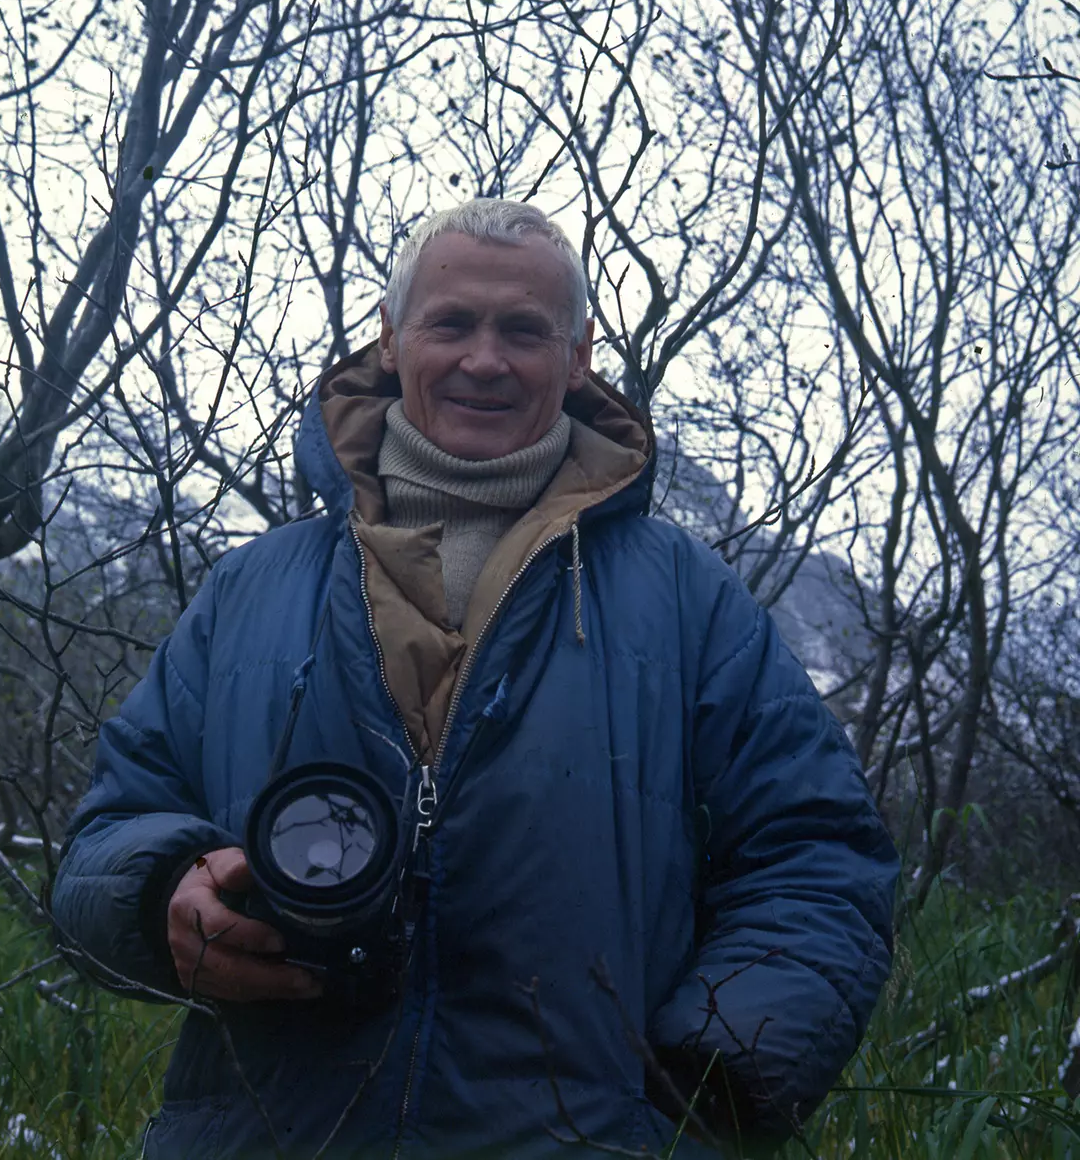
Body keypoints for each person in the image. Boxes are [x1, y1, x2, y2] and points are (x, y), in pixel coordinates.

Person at [52, 199, 899, 1159]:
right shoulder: (254, 586)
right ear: (392, 339)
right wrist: (160, 895)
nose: (484, 360)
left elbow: (818, 856)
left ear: (577, 356)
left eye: (524, 331)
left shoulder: (687, 598)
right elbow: (106, 835)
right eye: (451, 323)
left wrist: (709, 1083)